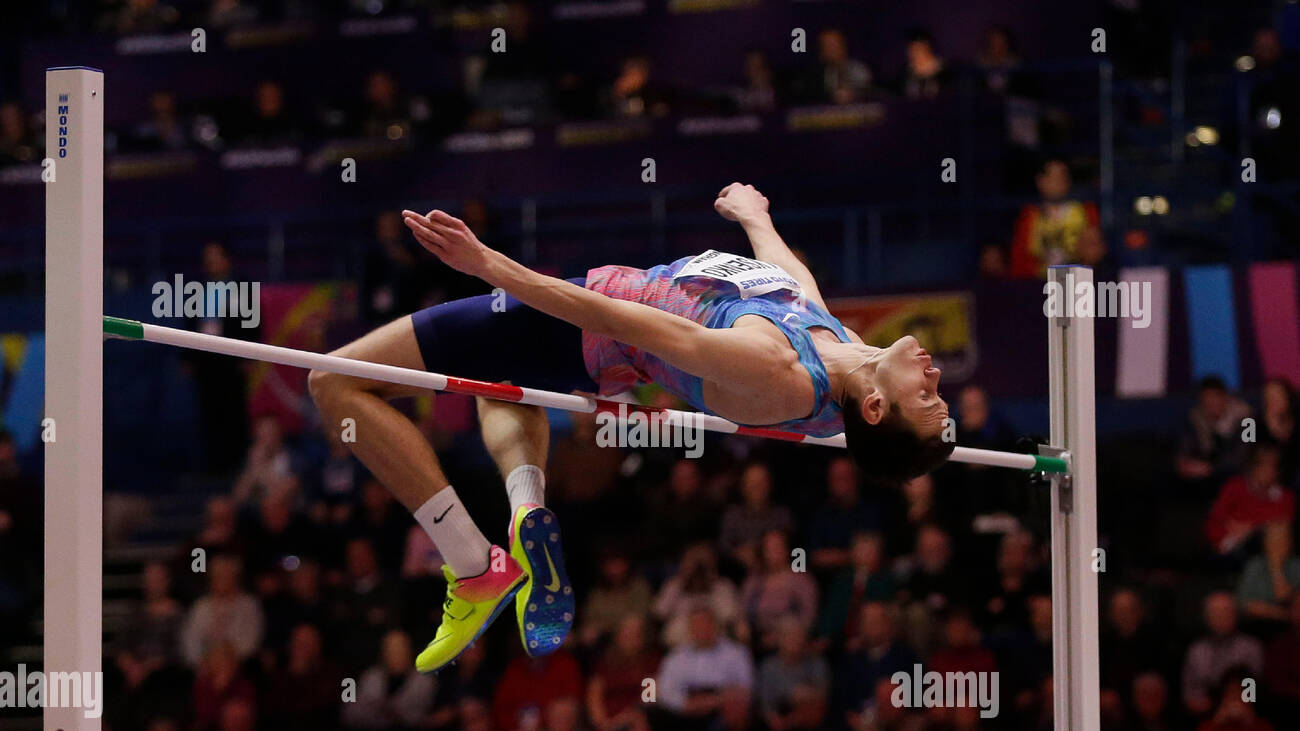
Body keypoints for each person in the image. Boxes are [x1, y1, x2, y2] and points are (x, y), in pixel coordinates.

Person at [309, 183, 951, 674]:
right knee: (497, 385)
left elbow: (625, 321)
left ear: (873, 409)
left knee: (331, 381)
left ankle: (472, 562)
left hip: (587, 321)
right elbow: (796, 290)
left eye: (926, 400)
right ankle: (525, 512)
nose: (934, 376)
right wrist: (756, 218)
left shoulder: (777, 370)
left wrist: (488, 265)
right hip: (588, 336)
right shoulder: (850, 357)